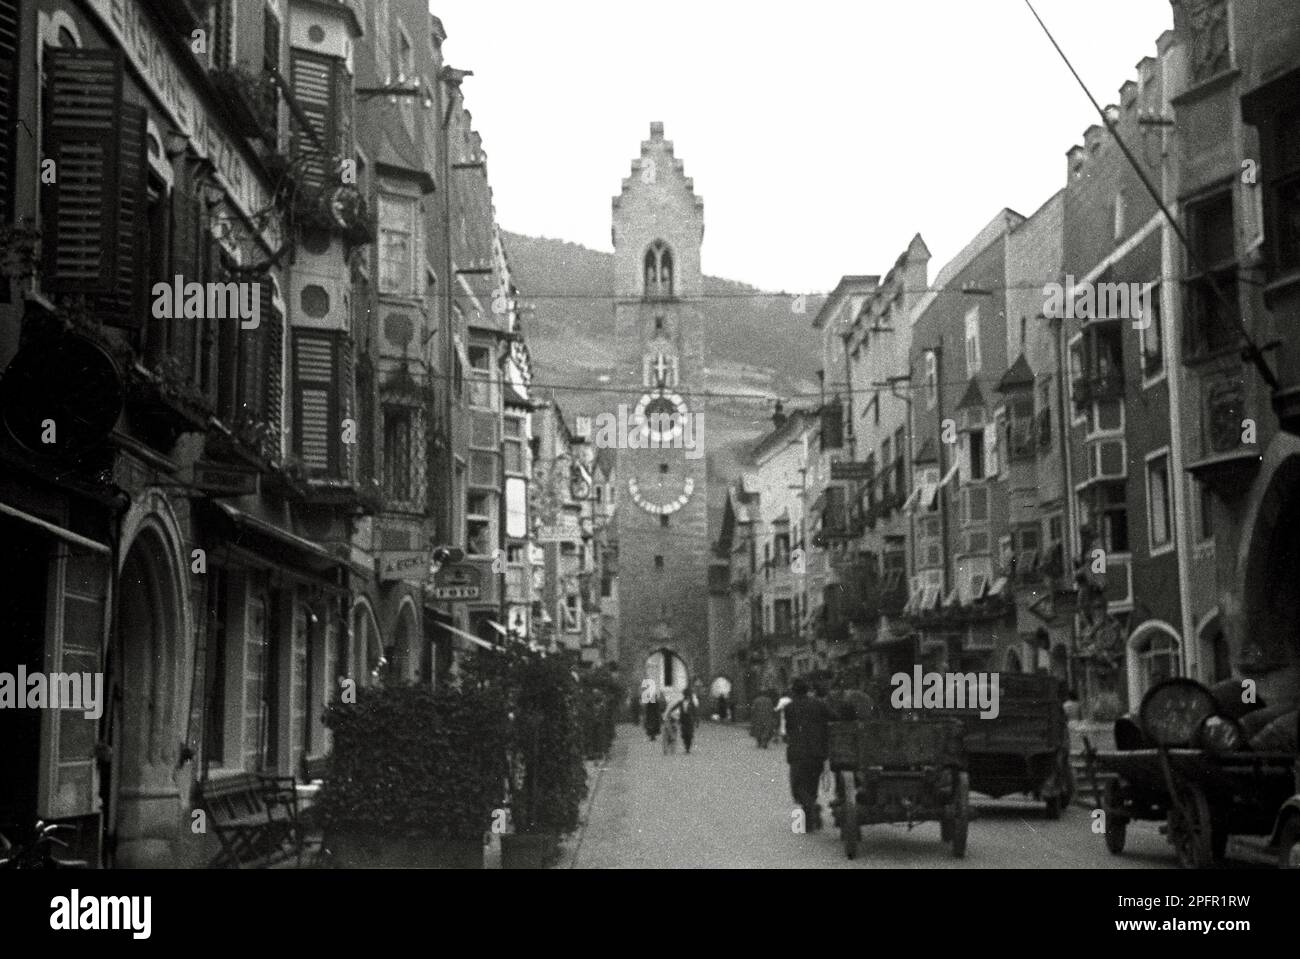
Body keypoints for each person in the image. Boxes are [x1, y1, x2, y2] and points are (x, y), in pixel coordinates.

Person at [784, 677, 832, 832]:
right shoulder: (819, 704)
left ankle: (811, 810)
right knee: (811, 786)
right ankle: (811, 813)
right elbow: (834, 717)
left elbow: (790, 728)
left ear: (794, 691)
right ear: (807, 690)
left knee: (798, 787)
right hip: (817, 752)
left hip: (797, 753)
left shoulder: (790, 708)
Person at [676, 686, 700, 753]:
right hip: (683, 721)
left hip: (690, 721)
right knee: (684, 734)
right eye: (685, 694)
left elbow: (695, 712)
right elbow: (680, 711)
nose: (686, 696)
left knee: (689, 734)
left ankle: (688, 748)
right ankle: (686, 746)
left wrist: (697, 721)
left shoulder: (692, 703)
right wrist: (679, 720)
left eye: (688, 694)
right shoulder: (681, 702)